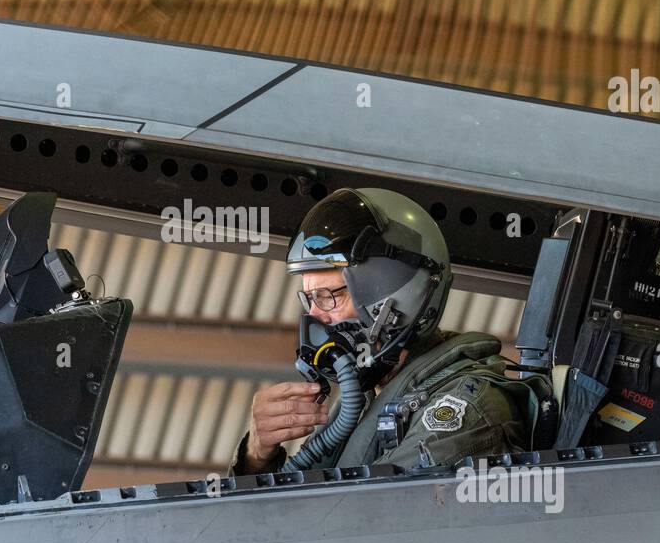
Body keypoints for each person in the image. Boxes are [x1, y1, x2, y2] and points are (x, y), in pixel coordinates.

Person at [228, 187, 543, 475]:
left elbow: (350, 525)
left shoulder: (463, 414)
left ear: (393, 301)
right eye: (310, 299)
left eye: (328, 296)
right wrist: (257, 455)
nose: (314, 317)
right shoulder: (367, 403)